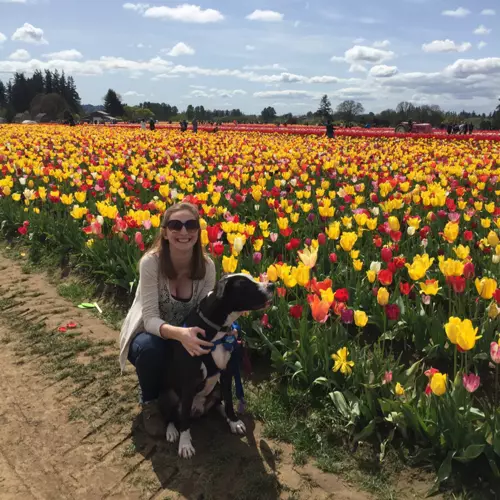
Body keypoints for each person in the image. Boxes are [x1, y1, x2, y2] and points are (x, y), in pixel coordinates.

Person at [119, 202, 217, 437]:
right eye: (175, 225)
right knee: (151, 349)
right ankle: (150, 403)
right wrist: (180, 334)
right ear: (164, 231)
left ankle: (195, 393)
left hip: (187, 334)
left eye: (191, 225)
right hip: (150, 333)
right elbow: (151, 318)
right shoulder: (151, 263)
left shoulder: (207, 266)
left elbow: (207, 312)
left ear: (198, 231)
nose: (184, 232)